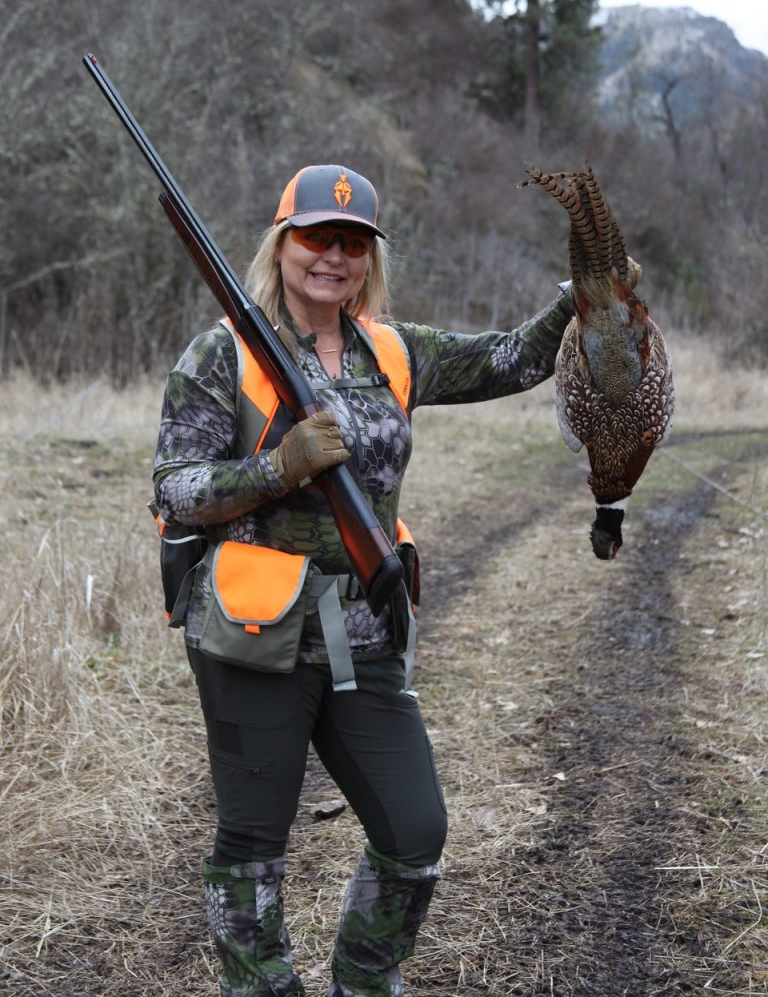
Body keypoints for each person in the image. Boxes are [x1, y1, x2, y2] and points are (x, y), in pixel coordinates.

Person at [153, 163, 574, 997]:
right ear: (285, 243)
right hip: (254, 635)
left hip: (366, 631)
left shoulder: (393, 349)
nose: (333, 256)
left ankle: (364, 980)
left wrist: (580, 298)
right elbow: (175, 491)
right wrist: (277, 467)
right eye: (316, 237)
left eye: (352, 243)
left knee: (415, 828)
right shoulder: (221, 354)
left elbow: (513, 361)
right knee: (254, 845)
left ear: (367, 259)